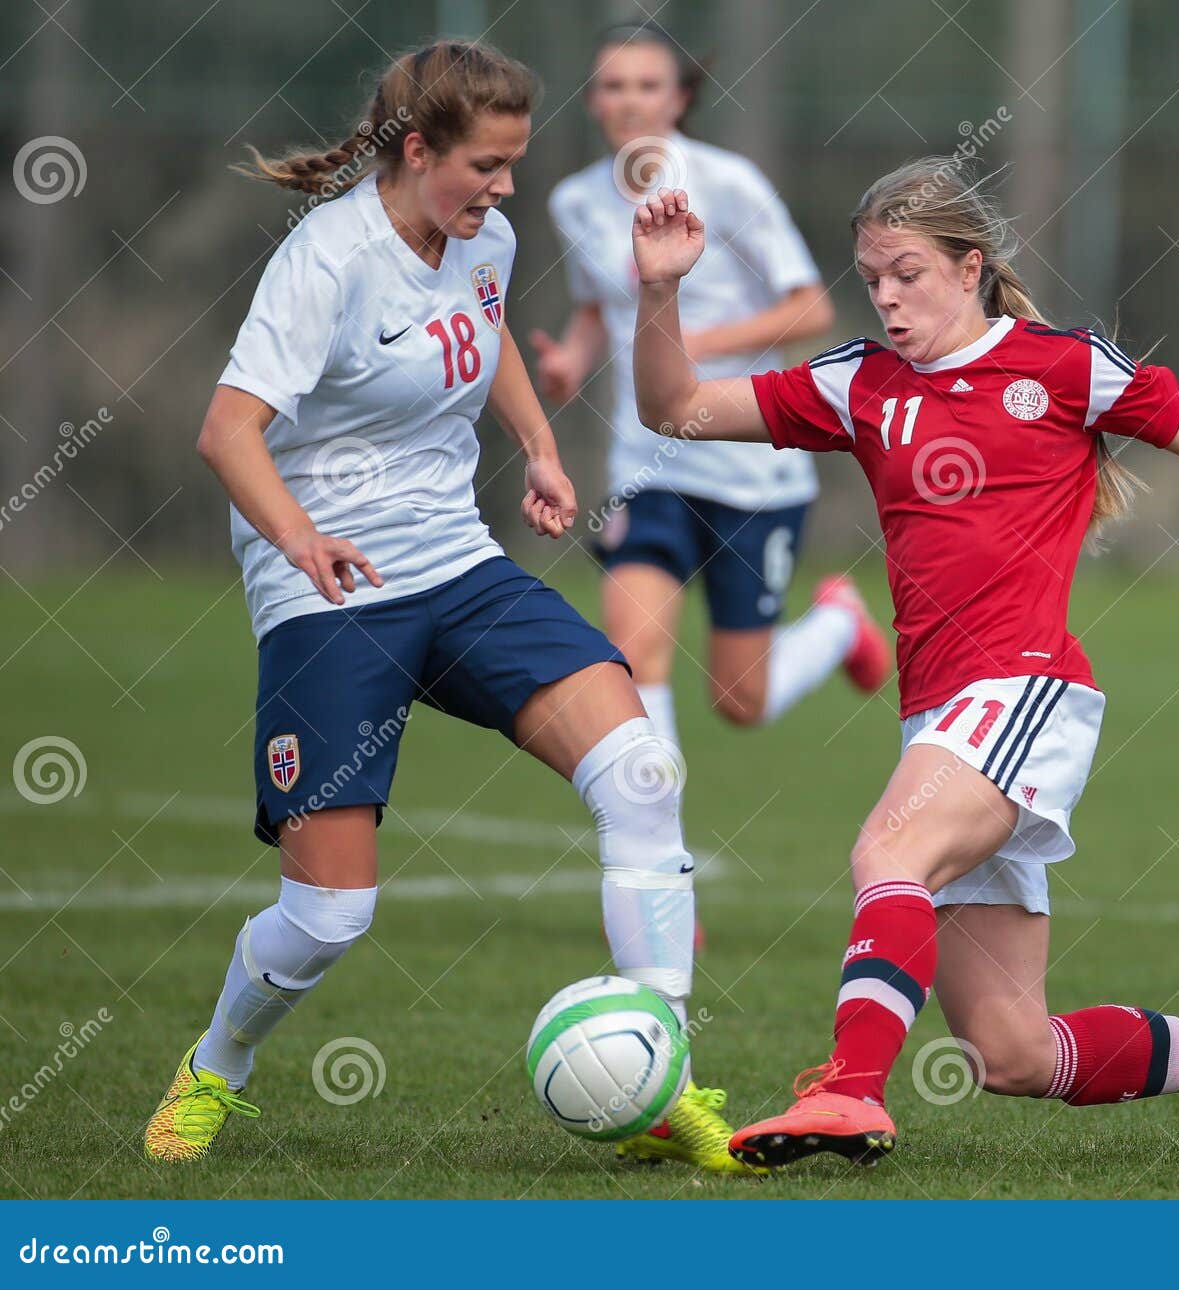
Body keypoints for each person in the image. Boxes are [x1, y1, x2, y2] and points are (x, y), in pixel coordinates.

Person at [627, 162, 1179, 1170]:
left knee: (888, 853)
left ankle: (848, 1092)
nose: (884, 297)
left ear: (969, 268)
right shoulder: (858, 384)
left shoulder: (1061, 367)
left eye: (906, 273)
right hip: (942, 717)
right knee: (1011, 1052)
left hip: (1026, 689)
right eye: (871, 277)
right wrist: (658, 290)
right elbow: (676, 411)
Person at [140, 41, 748, 1176]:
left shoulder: (485, 238)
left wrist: (537, 447)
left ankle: (660, 1076)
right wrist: (302, 538)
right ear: (417, 152)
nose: (505, 189)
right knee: (327, 919)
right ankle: (215, 1069)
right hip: (329, 595)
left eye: (515, 165)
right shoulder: (326, 260)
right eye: (487, 164)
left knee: (641, 773)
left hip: (459, 569)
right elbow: (228, 431)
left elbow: (491, 329)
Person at [533, 20, 887, 780]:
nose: (629, 100)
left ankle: (835, 624)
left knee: (739, 698)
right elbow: (601, 304)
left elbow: (811, 310)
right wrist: (573, 357)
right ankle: (659, 865)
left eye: (647, 84)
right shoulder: (575, 202)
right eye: (613, 84)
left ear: (680, 97)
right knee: (631, 654)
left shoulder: (728, 184)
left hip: (750, 468)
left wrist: (693, 349)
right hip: (649, 463)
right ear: (593, 100)